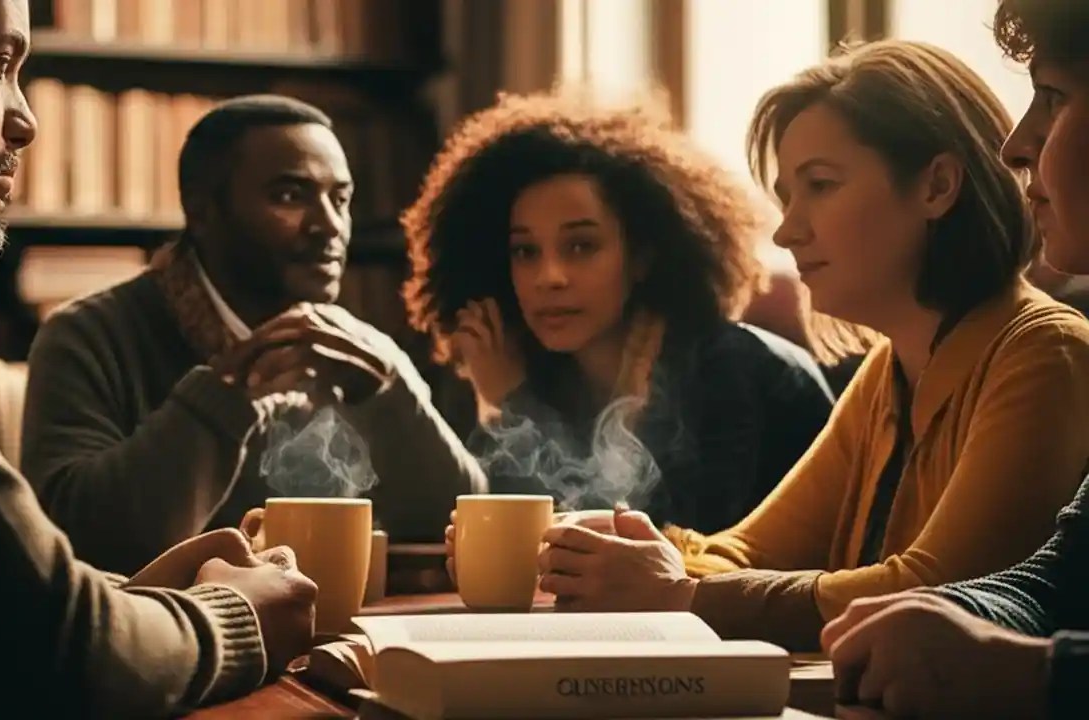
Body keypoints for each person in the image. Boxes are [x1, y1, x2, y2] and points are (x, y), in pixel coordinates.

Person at [446, 40, 1089, 652]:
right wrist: (609, 546)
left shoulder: (1044, 353)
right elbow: (746, 551)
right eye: (786, 195)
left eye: (821, 185)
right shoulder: (885, 372)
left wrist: (680, 592)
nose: (786, 231)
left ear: (937, 187)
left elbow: (929, 590)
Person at [0, 1, 316, 715]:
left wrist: (119, 594)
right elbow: (62, 651)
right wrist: (237, 617)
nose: (27, 120)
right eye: (0, 64)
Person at [20, 95, 488, 575]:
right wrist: (225, 398)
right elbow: (76, 546)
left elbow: (469, 531)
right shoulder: (89, 337)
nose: (329, 225)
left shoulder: (359, 355)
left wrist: (390, 397)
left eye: (341, 199)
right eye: (290, 196)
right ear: (201, 212)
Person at [403, 91, 836, 536]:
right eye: (525, 251)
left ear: (642, 256)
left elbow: (666, 553)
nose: (549, 276)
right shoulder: (526, 371)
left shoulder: (728, 370)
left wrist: (515, 406)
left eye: (580, 246)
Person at [821, 2, 1089, 716]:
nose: (1016, 145)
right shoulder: (888, 367)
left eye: (1054, 98)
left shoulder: (1045, 346)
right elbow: (1054, 582)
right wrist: (939, 617)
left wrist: (1036, 671)